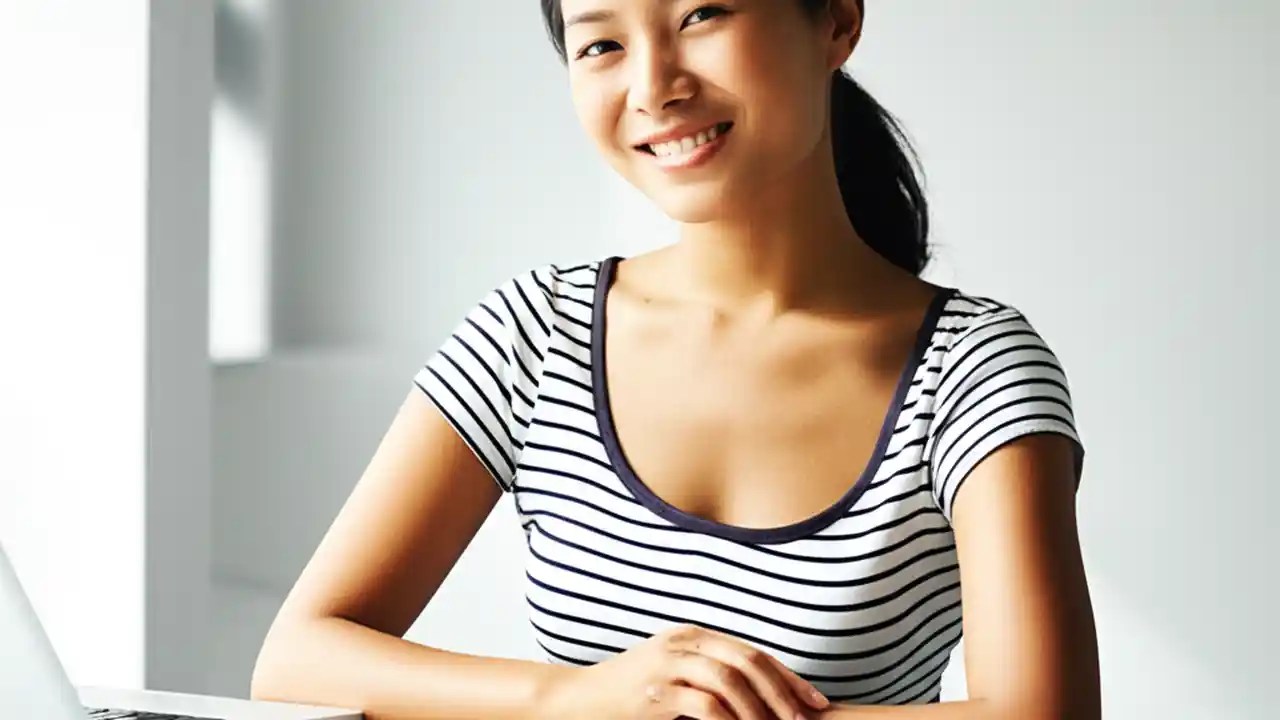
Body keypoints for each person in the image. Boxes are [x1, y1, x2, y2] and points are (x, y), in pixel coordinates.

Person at [250, 1, 1101, 718]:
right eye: (602, 44)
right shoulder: (533, 335)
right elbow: (296, 660)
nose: (655, 86)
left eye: (703, 14)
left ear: (837, 22)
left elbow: (1043, 714)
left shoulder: (976, 369)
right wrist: (579, 700)